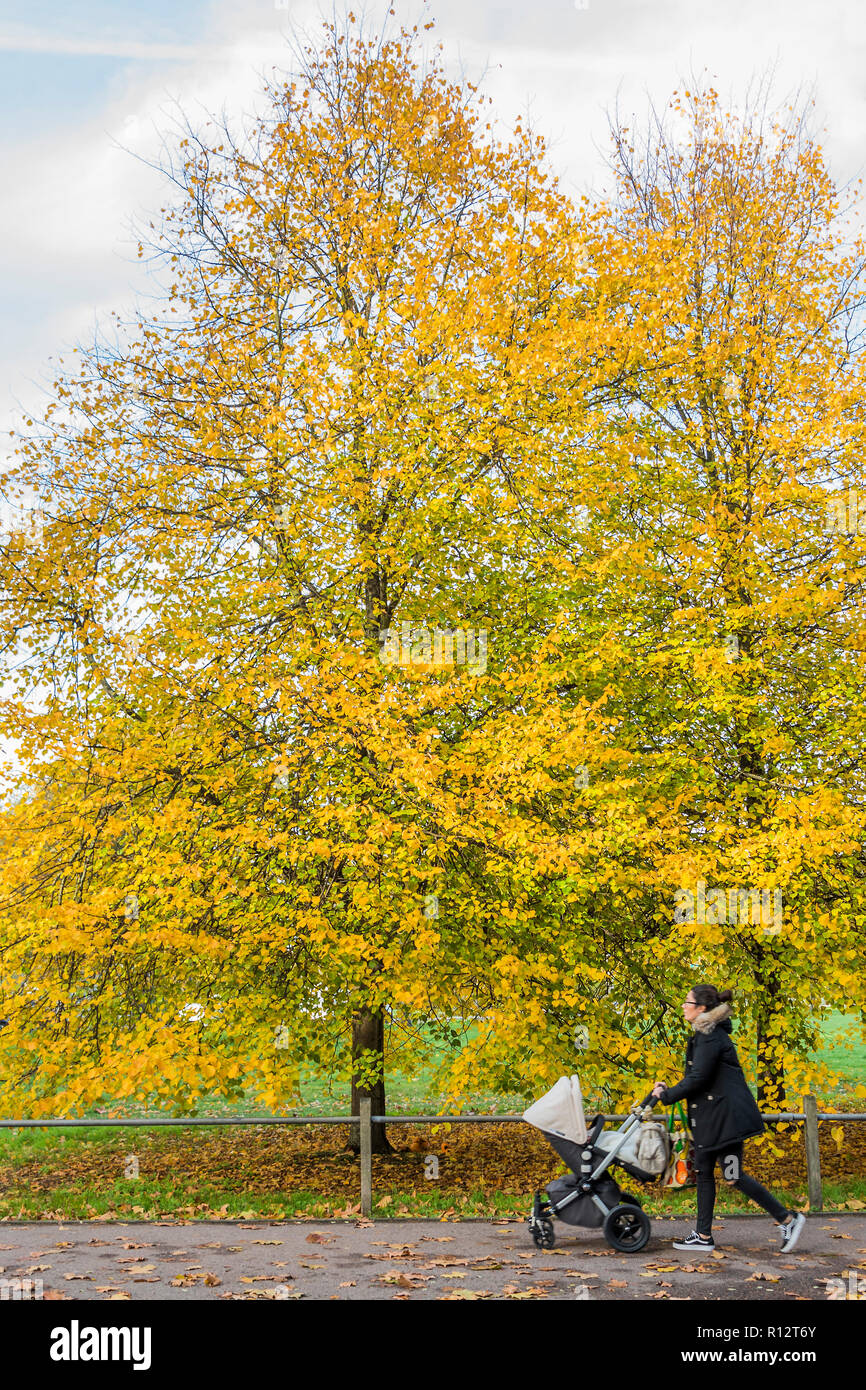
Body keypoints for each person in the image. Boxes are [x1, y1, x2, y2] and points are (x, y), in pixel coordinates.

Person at [651, 984, 805, 1253]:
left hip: (726, 1124)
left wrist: (666, 1096)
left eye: (688, 1002)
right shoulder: (707, 1034)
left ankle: (788, 1219)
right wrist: (670, 1089)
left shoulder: (709, 1036)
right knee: (705, 1172)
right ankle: (703, 1235)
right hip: (715, 1122)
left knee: (733, 1175)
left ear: (702, 1008)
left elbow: (699, 1079)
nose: (684, 1007)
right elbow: (699, 1076)